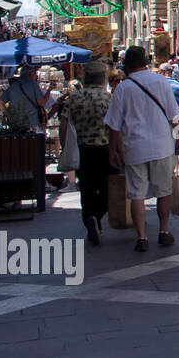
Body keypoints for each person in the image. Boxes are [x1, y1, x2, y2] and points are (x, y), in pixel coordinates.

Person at [105, 46, 179, 252]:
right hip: (162, 146)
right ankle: (164, 231)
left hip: (135, 148)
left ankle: (141, 236)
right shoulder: (161, 81)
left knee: (137, 194)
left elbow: (113, 125)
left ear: (127, 66)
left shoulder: (123, 88)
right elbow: (175, 114)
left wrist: (112, 150)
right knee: (164, 190)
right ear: (146, 62)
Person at [62, 61, 113, 245]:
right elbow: (115, 126)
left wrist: (63, 145)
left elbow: (64, 125)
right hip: (105, 149)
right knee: (107, 188)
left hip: (82, 149)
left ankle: (90, 217)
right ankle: (98, 214)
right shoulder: (108, 98)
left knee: (87, 188)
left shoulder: (74, 98)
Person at [0, 63, 48, 132]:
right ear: (30, 74)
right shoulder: (33, 85)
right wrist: (49, 91)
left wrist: (8, 114)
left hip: (15, 124)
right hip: (31, 124)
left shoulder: (13, 86)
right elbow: (42, 103)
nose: (36, 75)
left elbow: (0, 102)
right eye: (35, 73)